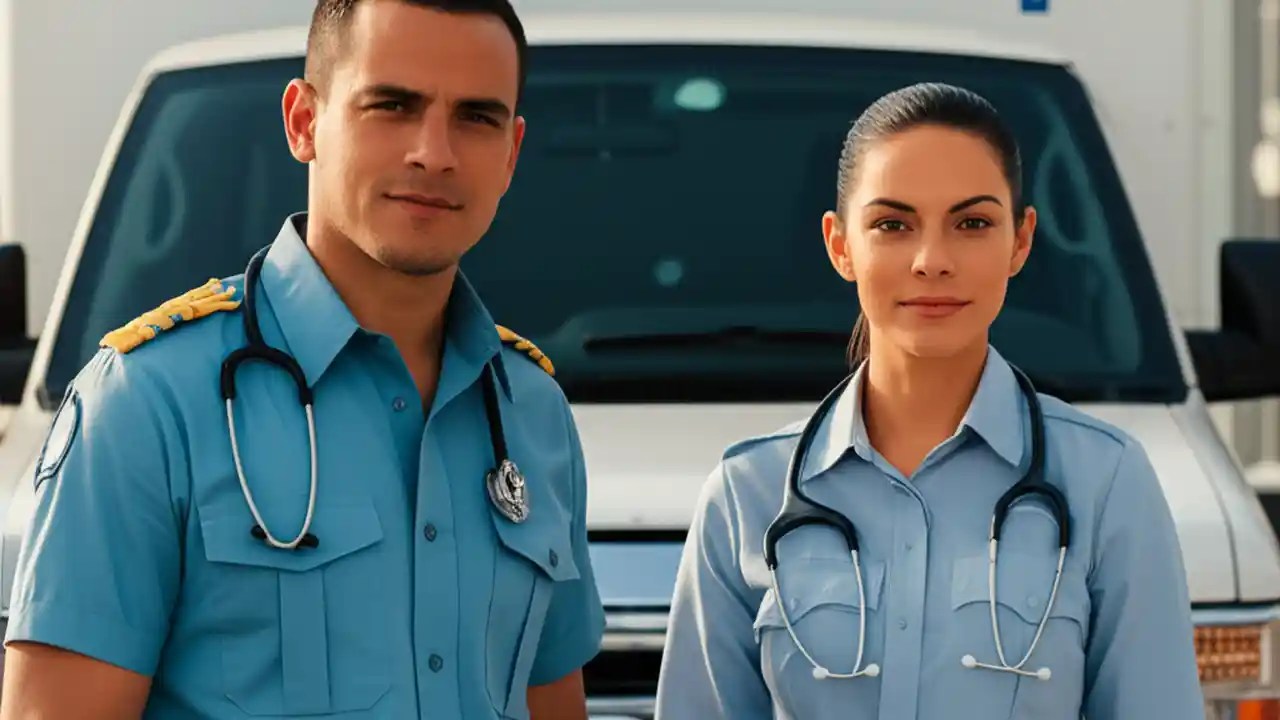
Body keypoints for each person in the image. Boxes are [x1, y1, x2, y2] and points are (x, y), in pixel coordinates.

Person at [0, 1, 604, 717]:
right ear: (303, 121)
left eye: (477, 117)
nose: (434, 152)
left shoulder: (532, 412)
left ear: (511, 152)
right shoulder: (145, 404)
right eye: (392, 105)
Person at [653, 82, 1204, 719]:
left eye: (972, 223)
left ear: (1020, 241)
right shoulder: (747, 494)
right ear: (840, 245)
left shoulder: (1107, 483)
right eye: (893, 224)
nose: (931, 260)